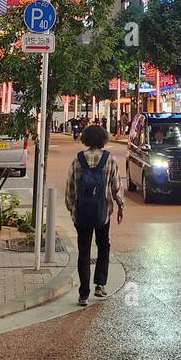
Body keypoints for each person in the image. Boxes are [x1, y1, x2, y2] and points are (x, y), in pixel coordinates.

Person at [65, 124, 123, 306]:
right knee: (103, 245)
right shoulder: (109, 159)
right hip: (102, 211)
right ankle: (100, 284)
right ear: (103, 139)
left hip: (82, 212)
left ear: (86, 139)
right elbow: (116, 186)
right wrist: (120, 205)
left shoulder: (78, 159)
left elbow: (70, 188)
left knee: (84, 250)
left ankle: (83, 294)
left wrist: (72, 210)